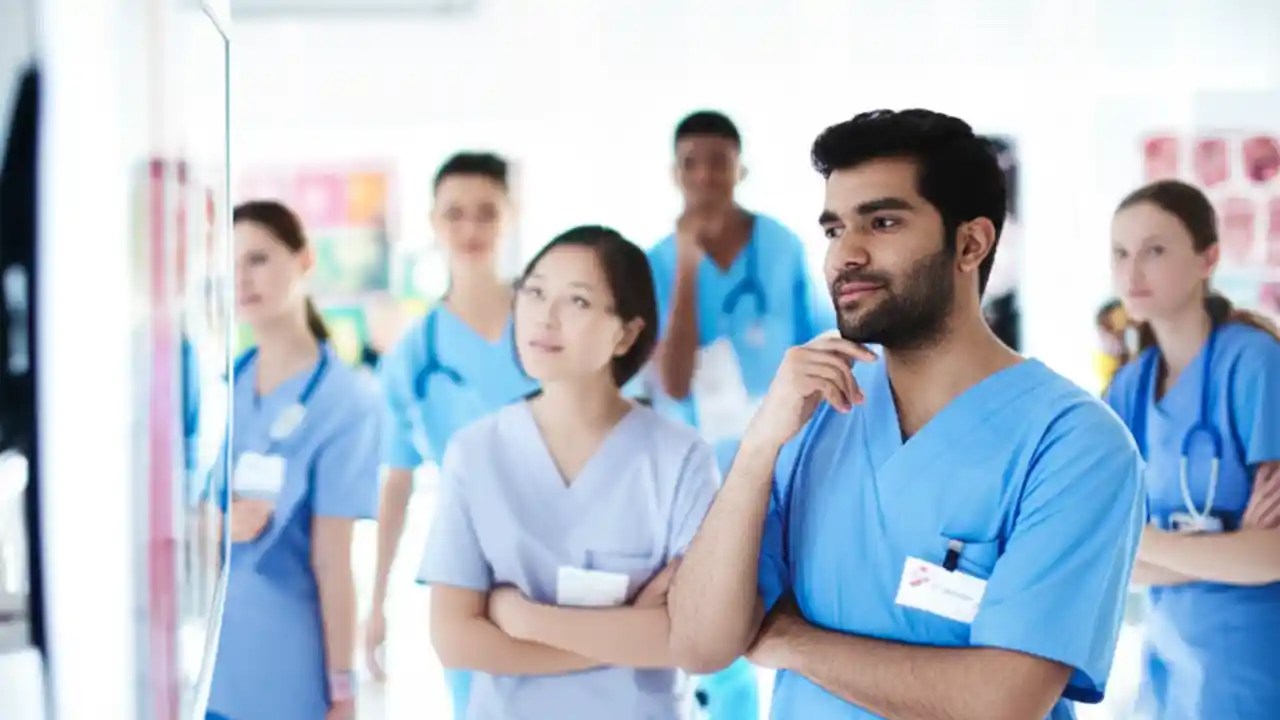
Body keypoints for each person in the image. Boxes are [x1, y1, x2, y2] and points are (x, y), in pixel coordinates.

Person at [666, 109, 1146, 720]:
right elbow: (699, 644)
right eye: (835, 229)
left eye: (883, 221)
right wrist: (760, 446)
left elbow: (1001, 701)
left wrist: (794, 641)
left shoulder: (1074, 445)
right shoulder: (813, 416)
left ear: (970, 243)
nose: (846, 255)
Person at [418, 226, 720, 720]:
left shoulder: (680, 458)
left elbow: (695, 637)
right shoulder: (475, 453)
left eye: (576, 301)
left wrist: (524, 618)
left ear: (626, 333)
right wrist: (627, 632)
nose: (544, 316)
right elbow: (455, 640)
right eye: (534, 292)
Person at [644, 110, 834, 718]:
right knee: (714, 623)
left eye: (718, 161)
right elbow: (669, 378)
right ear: (674, 173)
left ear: (740, 168)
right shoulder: (658, 260)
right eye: (690, 163)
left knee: (789, 613)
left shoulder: (781, 246)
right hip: (695, 475)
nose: (704, 176)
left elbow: (817, 356)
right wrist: (688, 268)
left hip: (782, 462)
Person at [367, 152, 538, 714]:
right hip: (465, 561)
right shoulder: (415, 353)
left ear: (509, 215)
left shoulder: (548, 323)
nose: (471, 229)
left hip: (558, 539)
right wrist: (377, 603)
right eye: (455, 214)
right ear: (433, 222)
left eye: (486, 212)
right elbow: (397, 482)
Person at [1103, 179, 1280, 719]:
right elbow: (1108, 556)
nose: (1133, 272)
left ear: (1209, 259)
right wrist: (1229, 549)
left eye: (1155, 250)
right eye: (1121, 253)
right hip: (1167, 665)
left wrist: (1146, 541)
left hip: (1255, 659)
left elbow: (1272, 555)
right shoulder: (1129, 387)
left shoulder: (1254, 365)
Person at [207, 201, 381, 720]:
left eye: (257, 258)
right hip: (210, 663)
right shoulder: (226, 386)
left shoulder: (345, 401)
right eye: (229, 264)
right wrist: (216, 523)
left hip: (285, 667)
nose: (242, 279)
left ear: (304, 260)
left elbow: (333, 561)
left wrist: (342, 689)